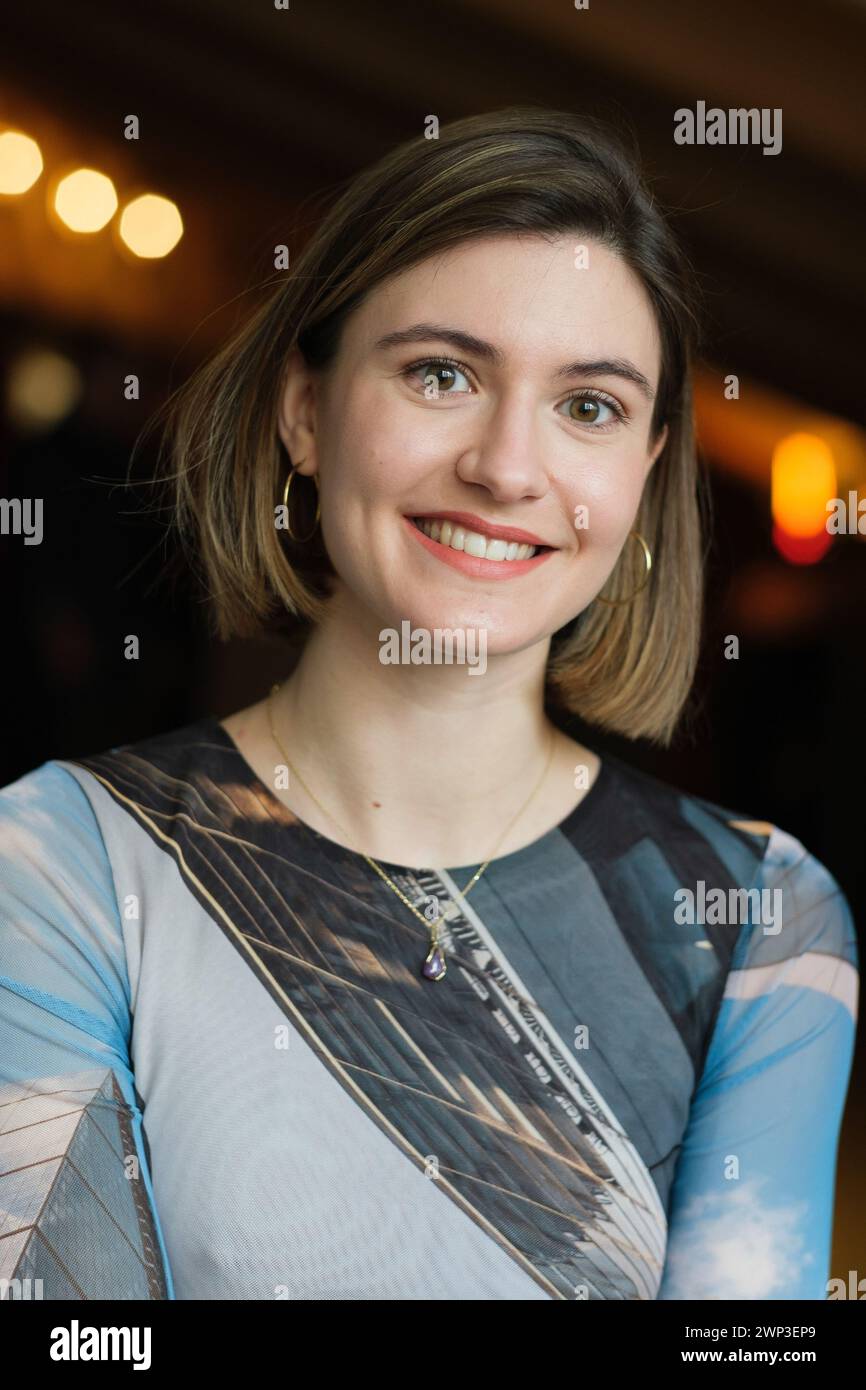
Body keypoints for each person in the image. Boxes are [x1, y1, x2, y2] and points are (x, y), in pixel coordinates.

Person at [0, 107, 858, 1302]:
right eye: (440, 374)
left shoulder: (762, 921)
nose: (508, 466)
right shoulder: (59, 862)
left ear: (643, 470)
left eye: (589, 405)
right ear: (305, 410)